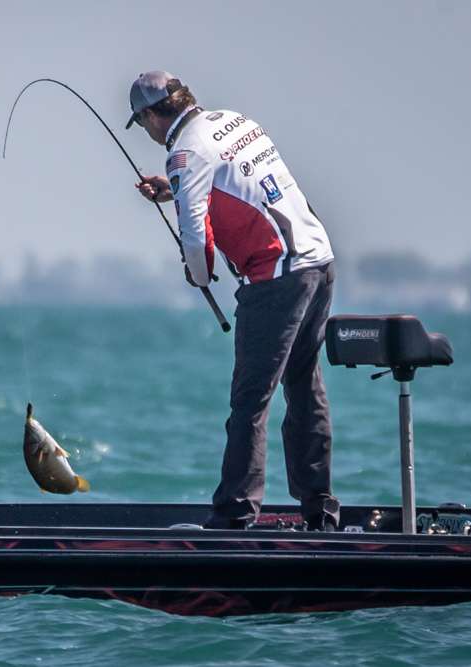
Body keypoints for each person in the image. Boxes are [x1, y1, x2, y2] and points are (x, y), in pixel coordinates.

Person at [127, 70, 340, 530]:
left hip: (277, 279)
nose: (146, 133)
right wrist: (174, 192)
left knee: (250, 402)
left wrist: (199, 275)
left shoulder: (184, 153)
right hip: (318, 263)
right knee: (304, 388)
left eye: (141, 124)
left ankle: (235, 514)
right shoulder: (234, 121)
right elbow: (235, 184)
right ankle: (320, 512)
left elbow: (195, 242)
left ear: (150, 115)